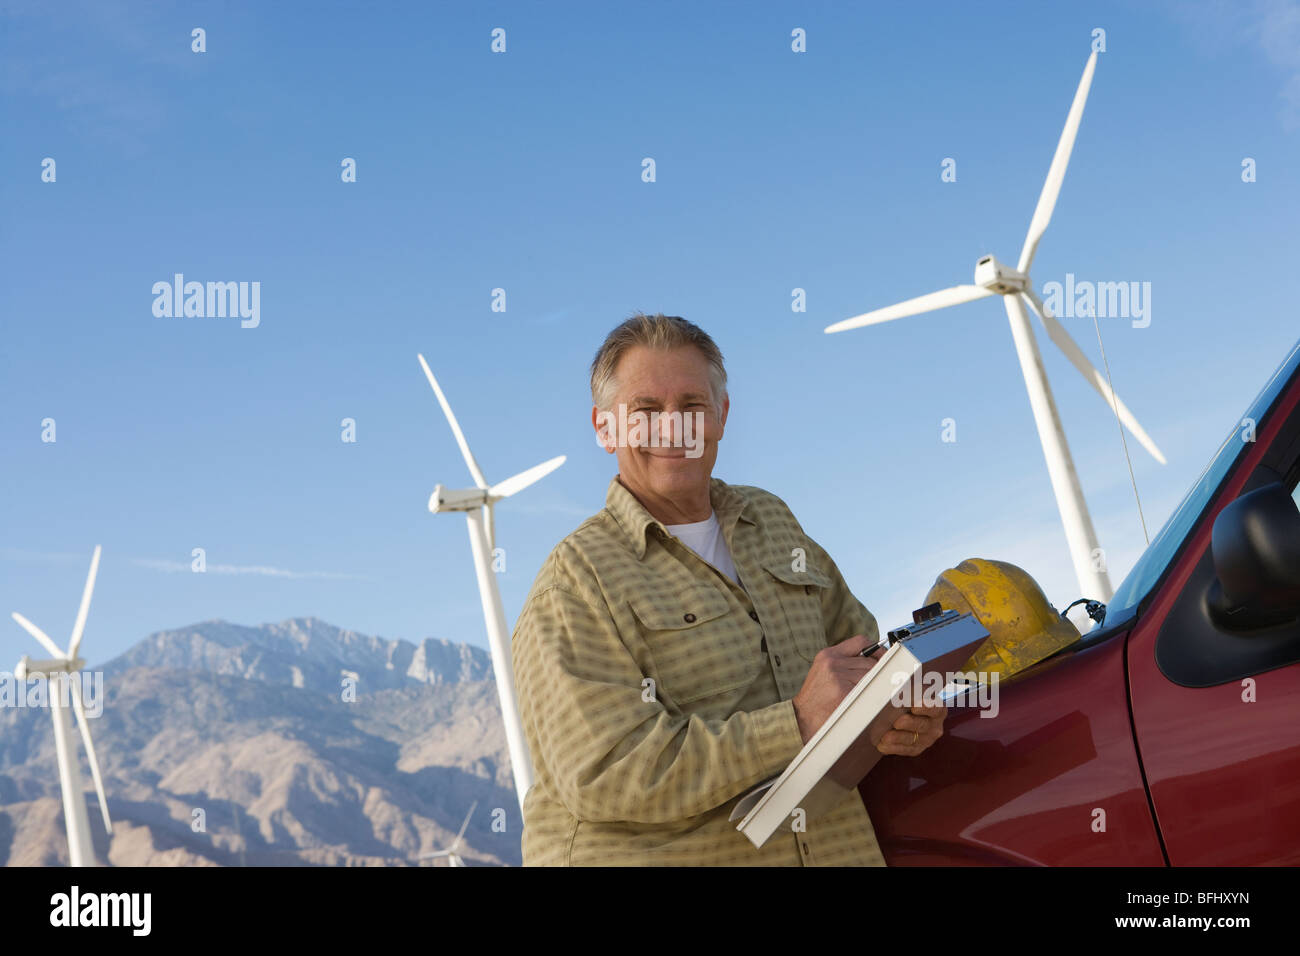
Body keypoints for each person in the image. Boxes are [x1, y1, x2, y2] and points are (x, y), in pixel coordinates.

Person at [511, 312, 946, 865]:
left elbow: (858, 659)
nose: (675, 428)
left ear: (721, 415)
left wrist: (901, 714)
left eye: (692, 406)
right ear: (605, 429)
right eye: (646, 411)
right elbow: (607, 772)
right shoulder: (575, 582)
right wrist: (797, 721)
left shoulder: (771, 520)